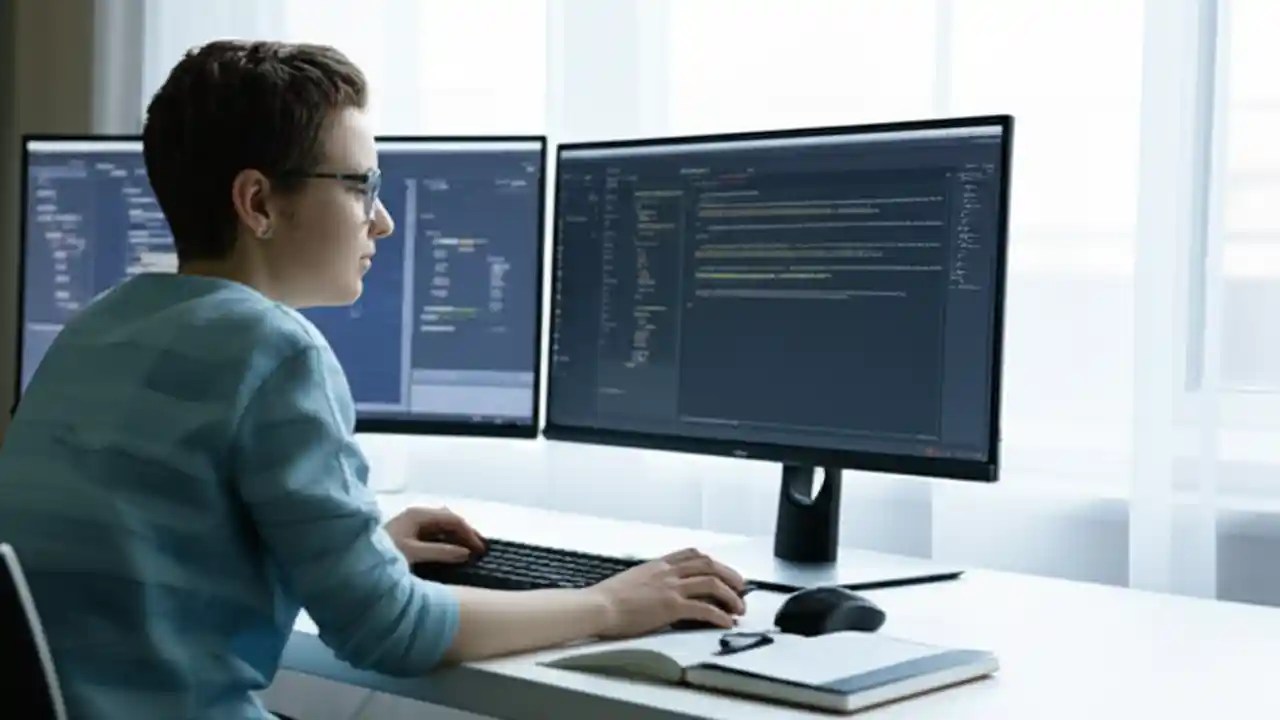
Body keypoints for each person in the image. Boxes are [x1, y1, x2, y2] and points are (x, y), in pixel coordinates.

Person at [0, 40, 746, 719]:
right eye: (361, 185)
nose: (381, 220)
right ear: (258, 202)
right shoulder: (275, 349)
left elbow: (154, 556)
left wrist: (365, 551)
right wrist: (610, 604)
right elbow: (391, 633)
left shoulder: (93, 327)